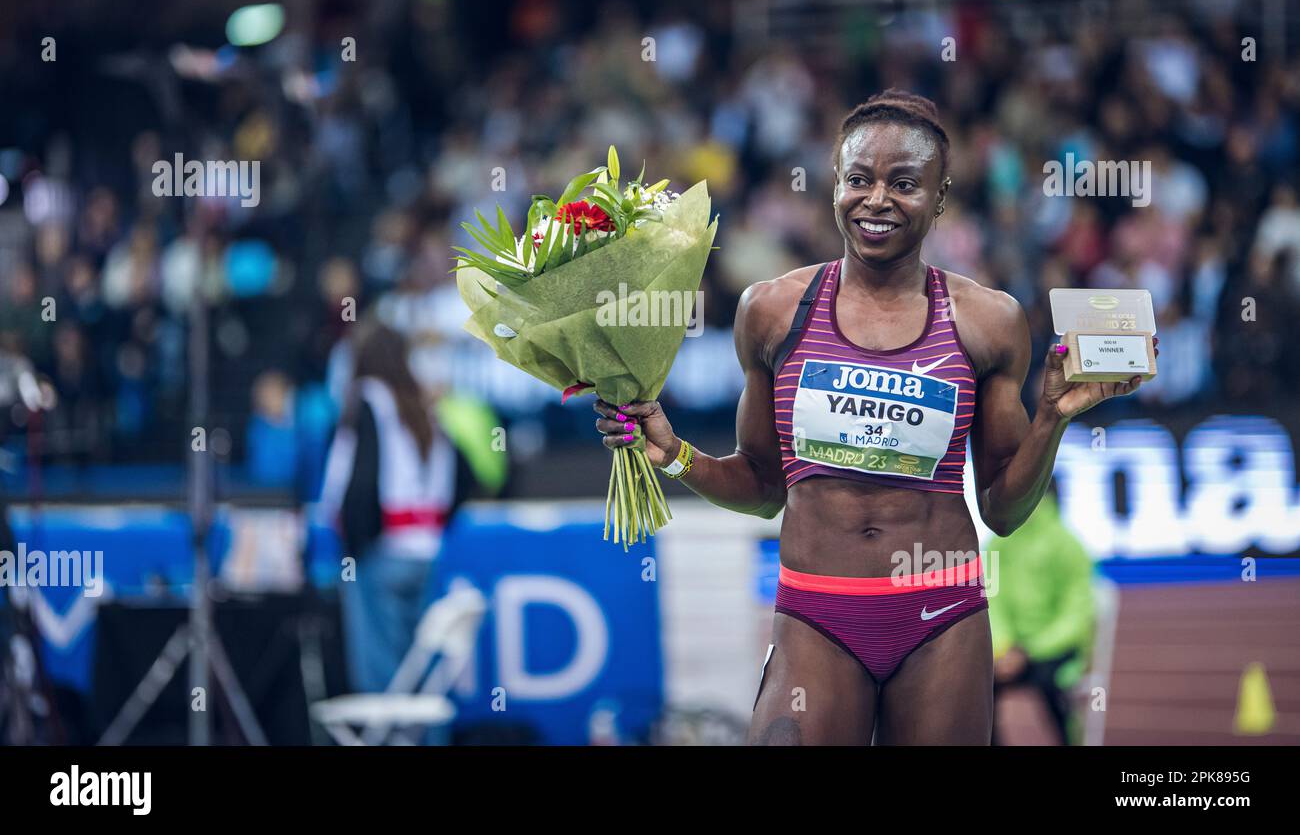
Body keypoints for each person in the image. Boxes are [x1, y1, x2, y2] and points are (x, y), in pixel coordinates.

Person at [595, 89, 1156, 745]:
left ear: (941, 197)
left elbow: (1003, 508)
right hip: (817, 615)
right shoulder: (771, 312)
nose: (877, 199)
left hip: (941, 617)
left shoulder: (989, 321)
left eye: (905, 183)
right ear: (836, 185)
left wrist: (1052, 418)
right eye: (859, 178)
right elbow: (763, 485)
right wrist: (675, 456)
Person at [322, 322, 501, 694]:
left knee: (382, 677)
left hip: (381, 553)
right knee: (420, 672)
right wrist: (431, 527)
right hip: (424, 553)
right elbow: (466, 477)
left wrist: (356, 548)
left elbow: (360, 480)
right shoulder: (426, 405)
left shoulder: (370, 398)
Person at [987, 492, 1097, 745]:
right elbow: (992, 600)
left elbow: (1077, 613)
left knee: (1054, 688)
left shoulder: (1067, 544)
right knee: (978, 686)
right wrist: (1003, 646)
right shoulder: (997, 543)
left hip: (1056, 650)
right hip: (1008, 651)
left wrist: (1029, 650)